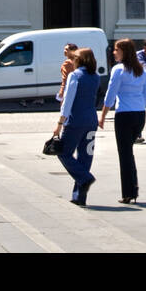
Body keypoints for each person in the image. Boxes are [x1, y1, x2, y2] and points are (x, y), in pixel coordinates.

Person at [99, 39, 146, 204]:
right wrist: (140, 107)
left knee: (125, 154)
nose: (114, 53)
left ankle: (129, 192)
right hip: (140, 114)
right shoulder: (143, 69)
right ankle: (132, 189)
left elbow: (110, 95)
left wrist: (103, 115)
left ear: (123, 52)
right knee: (129, 152)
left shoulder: (119, 70)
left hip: (124, 114)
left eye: (116, 50)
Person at [54, 47, 100, 206]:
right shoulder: (95, 76)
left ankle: (85, 178)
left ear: (79, 60)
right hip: (91, 121)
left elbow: (67, 102)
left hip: (75, 121)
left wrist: (60, 123)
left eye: (74, 59)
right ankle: (79, 196)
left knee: (63, 152)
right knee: (85, 157)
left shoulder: (75, 76)